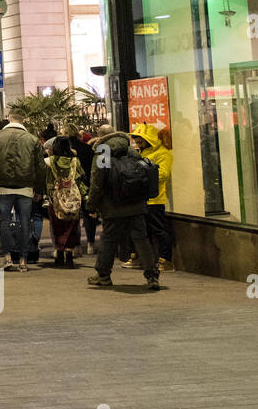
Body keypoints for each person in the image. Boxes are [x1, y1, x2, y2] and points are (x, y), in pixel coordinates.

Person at [85, 126, 161, 290]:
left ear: (101, 137)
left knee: (108, 240)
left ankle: (103, 275)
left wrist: (91, 204)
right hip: (136, 203)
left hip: (113, 204)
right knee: (142, 240)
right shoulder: (129, 148)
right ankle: (152, 276)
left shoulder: (104, 151)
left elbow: (98, 181)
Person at [0, 111, 46, 273]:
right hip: (26, 188)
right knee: (25, 222)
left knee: (4, 221)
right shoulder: (33, 140)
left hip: (3, 187)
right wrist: (39, 190)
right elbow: (40, 167)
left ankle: (8, 256)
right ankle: (23, 260)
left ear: (9, 119)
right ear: (23, 121)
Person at [129, 123, 174, 272]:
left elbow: (163, 174)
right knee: (143, 231)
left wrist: (142, 176)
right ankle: (144, 259)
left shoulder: (162, 153)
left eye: (140, 141)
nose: (138, 144)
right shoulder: (142, 153)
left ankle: (166, 260)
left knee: (160, 230)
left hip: (155, 199)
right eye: (136, 141)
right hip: (142, 198)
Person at [44, 135, 87, 267]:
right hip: (73, 199)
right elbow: (80, 181)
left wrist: (47, 196)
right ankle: (69, 255)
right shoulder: (75, 162)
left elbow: (48, 183)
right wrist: (85, 195)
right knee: (71, 227)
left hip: (56, 199)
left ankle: (59, 254)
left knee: (57, 227)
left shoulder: (49, 162)